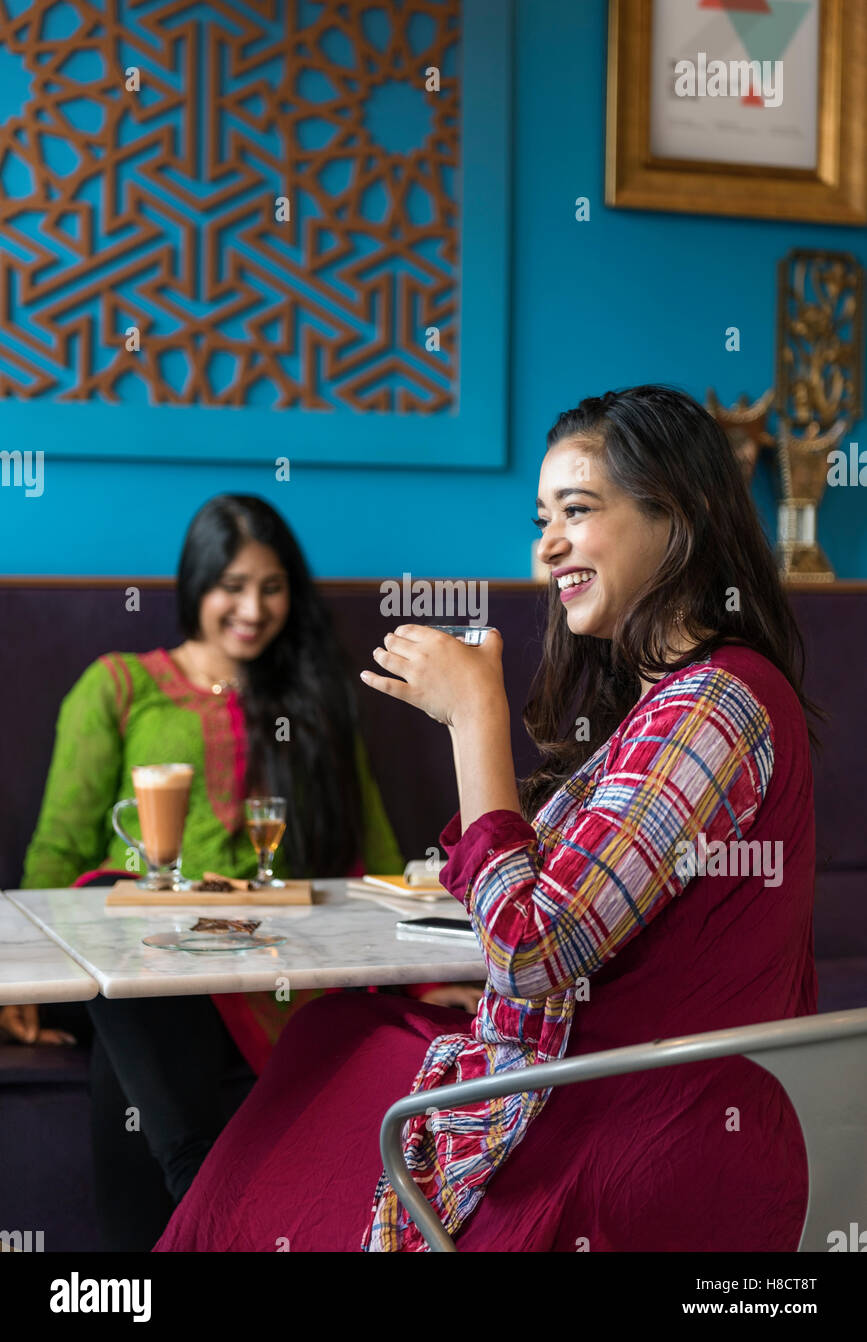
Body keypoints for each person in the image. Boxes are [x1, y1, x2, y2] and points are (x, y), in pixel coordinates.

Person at [154, 386, 823, 1253]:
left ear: (679, 514)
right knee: (338, 1032)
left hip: (639, 1128)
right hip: (624, 1090)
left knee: (334, 1058)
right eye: (541, 516)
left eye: (576, 511)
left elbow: (532, 950)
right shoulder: (673, 702)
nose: (547, 544)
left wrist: (474, 720)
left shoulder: (712, 708)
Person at [7, 494, 480, 1249]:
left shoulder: (315, 703)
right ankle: (202, 1197)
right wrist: (28, 981)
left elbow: (373, 853)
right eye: (232, 584)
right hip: (142, 971)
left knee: (141, 1048)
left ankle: (190, 1230)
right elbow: (54, 859)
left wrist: (422, 971)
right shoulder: (121, 685)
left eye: (271, 586)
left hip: (276, 971)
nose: (251, 608)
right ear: (196, 584)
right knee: (111, 925)